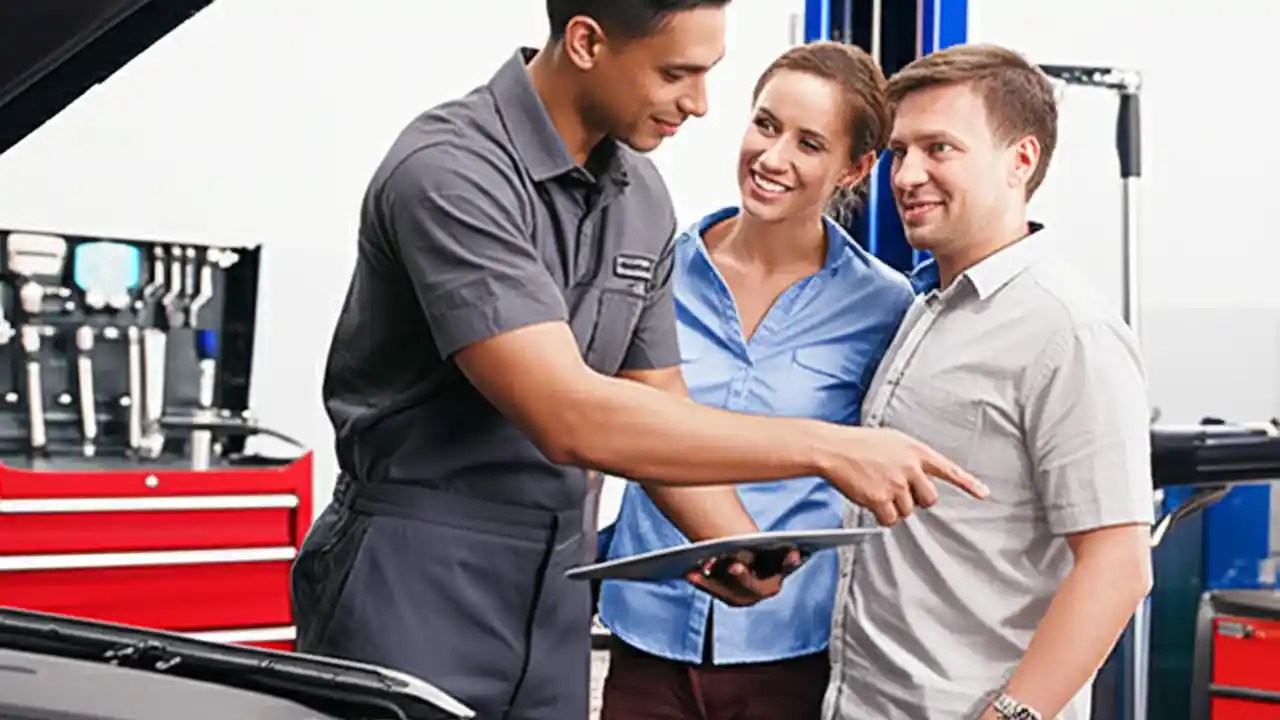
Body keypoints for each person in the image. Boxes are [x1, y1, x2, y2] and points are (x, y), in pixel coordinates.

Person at [292, 1, 987, 717]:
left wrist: (735, 542)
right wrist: (828, 448)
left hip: (555, 592)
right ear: (586, 41)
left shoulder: (640, 197)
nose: (700, 102)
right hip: (413, 572)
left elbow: (660, 403)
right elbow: (569, 416)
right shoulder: (452, 171)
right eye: (676, 73)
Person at [822, 44, 1154, 720]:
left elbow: (1119, 564)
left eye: (939, 149)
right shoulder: (925, 307)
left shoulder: (1068, 331)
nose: (907, 175)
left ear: (1020, 160)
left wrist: (1010, 715)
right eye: (899, 152)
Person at [596, 42, 912, 720]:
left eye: (809, 143)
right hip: (645, 641)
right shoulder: (655, 268)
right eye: (765, 125)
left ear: (855, 168)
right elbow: (601, 426)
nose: (772, 157)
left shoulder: (884, 307)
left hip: (790, 651)